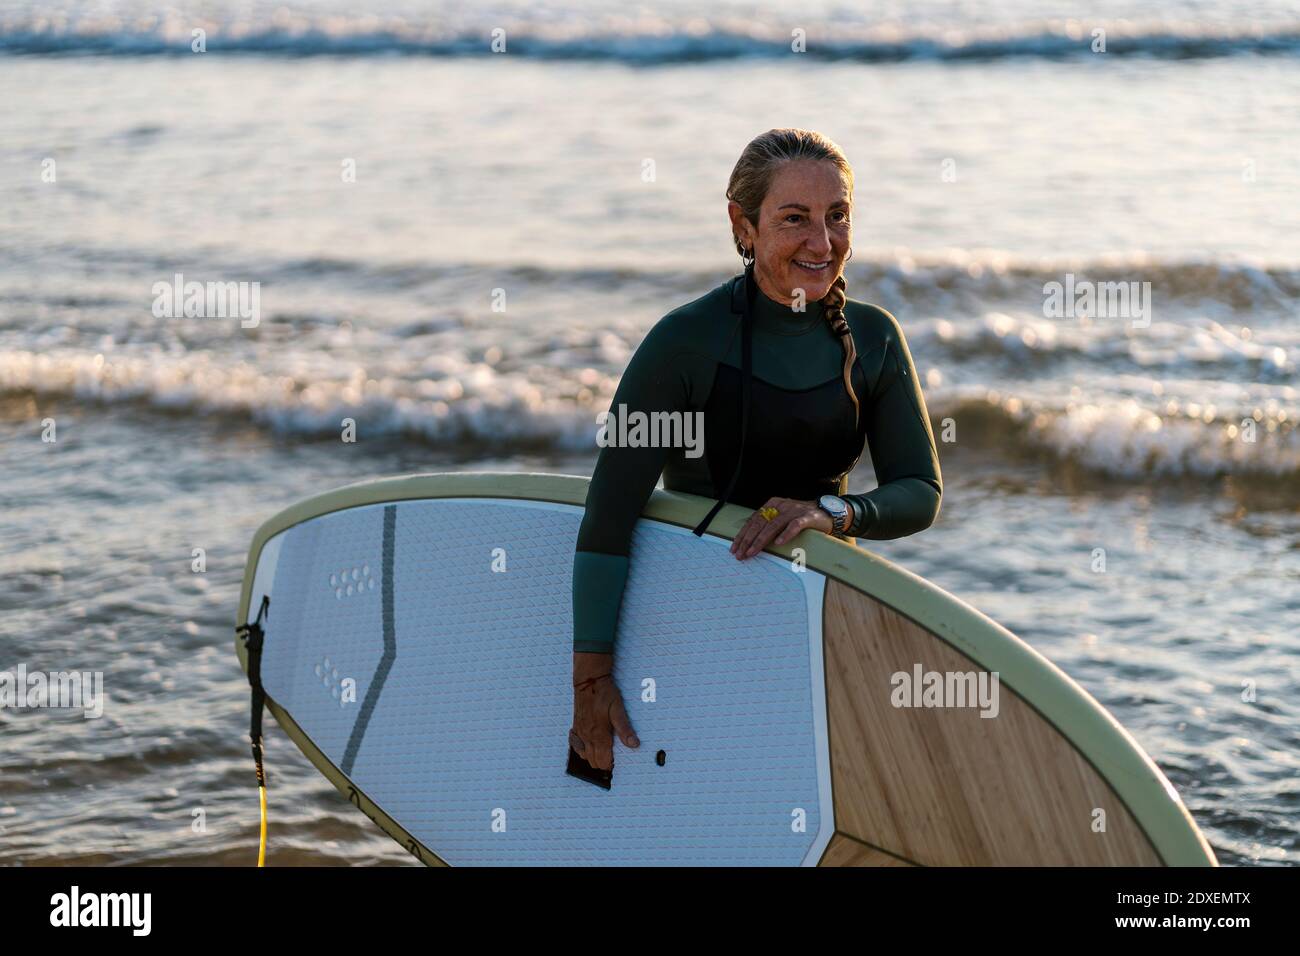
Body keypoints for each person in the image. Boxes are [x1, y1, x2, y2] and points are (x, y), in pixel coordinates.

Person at [569, 127, 943, 774]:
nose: (823, 244)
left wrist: (834, 513)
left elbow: (920, 492)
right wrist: (591, 680)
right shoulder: (682, 345)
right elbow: (608, 518)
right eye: (794, 219)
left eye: (838, 217)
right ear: (743, 225)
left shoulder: (874, 340)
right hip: (696, 617)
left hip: (821, 619)